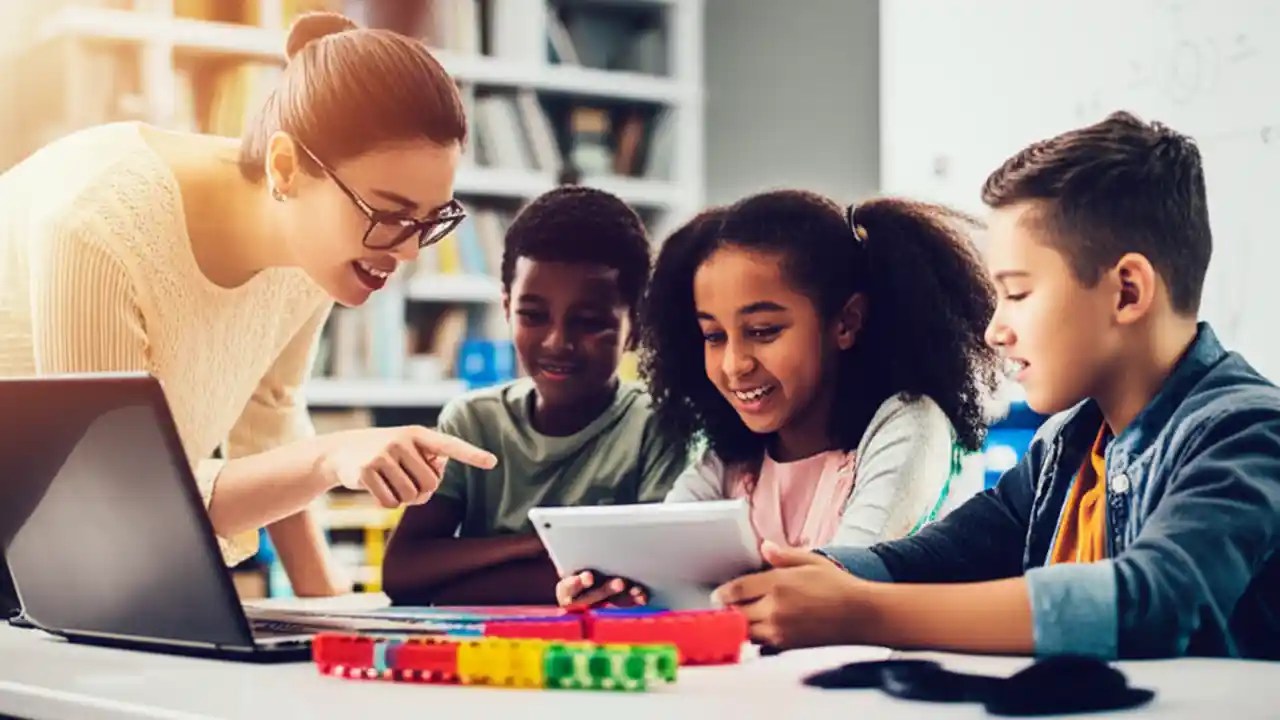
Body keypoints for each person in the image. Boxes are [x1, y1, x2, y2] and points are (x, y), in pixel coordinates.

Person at [711, 111, 1280, 661]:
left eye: (1019, 293)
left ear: (1127, 292)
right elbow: (935, 557)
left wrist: (862, 611)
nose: (995, 330)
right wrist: (823, 574)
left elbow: (1151, 602)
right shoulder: (1067, 446)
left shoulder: (1247, 431)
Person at [0, 12, 496, 597]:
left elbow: (271, 416)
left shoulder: (314, 245)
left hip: (80, 549)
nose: (410, 250)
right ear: (285, 166)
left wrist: (330, 606)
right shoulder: (98, 223)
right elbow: (113, 503)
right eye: (389, 214)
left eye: (429, 220)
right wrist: (331, 457)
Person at [558, 190, 1001, 607]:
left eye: (763, 331)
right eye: (713, 335)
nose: (734, 364)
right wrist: (626, 589)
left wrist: (692, 592)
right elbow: (664, 557)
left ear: (846, 323)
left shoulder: (910, 424)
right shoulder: (730, 460)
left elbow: (837, 586)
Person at [381, 187, 687, 605]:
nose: (558, 341)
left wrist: (459, 582)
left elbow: (648, 576)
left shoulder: (658, 426)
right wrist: (539, 544)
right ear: (506, 309)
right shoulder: (472, 422)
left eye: (589, 321)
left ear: (635, 327)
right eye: (533, 315)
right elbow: (402, 573)